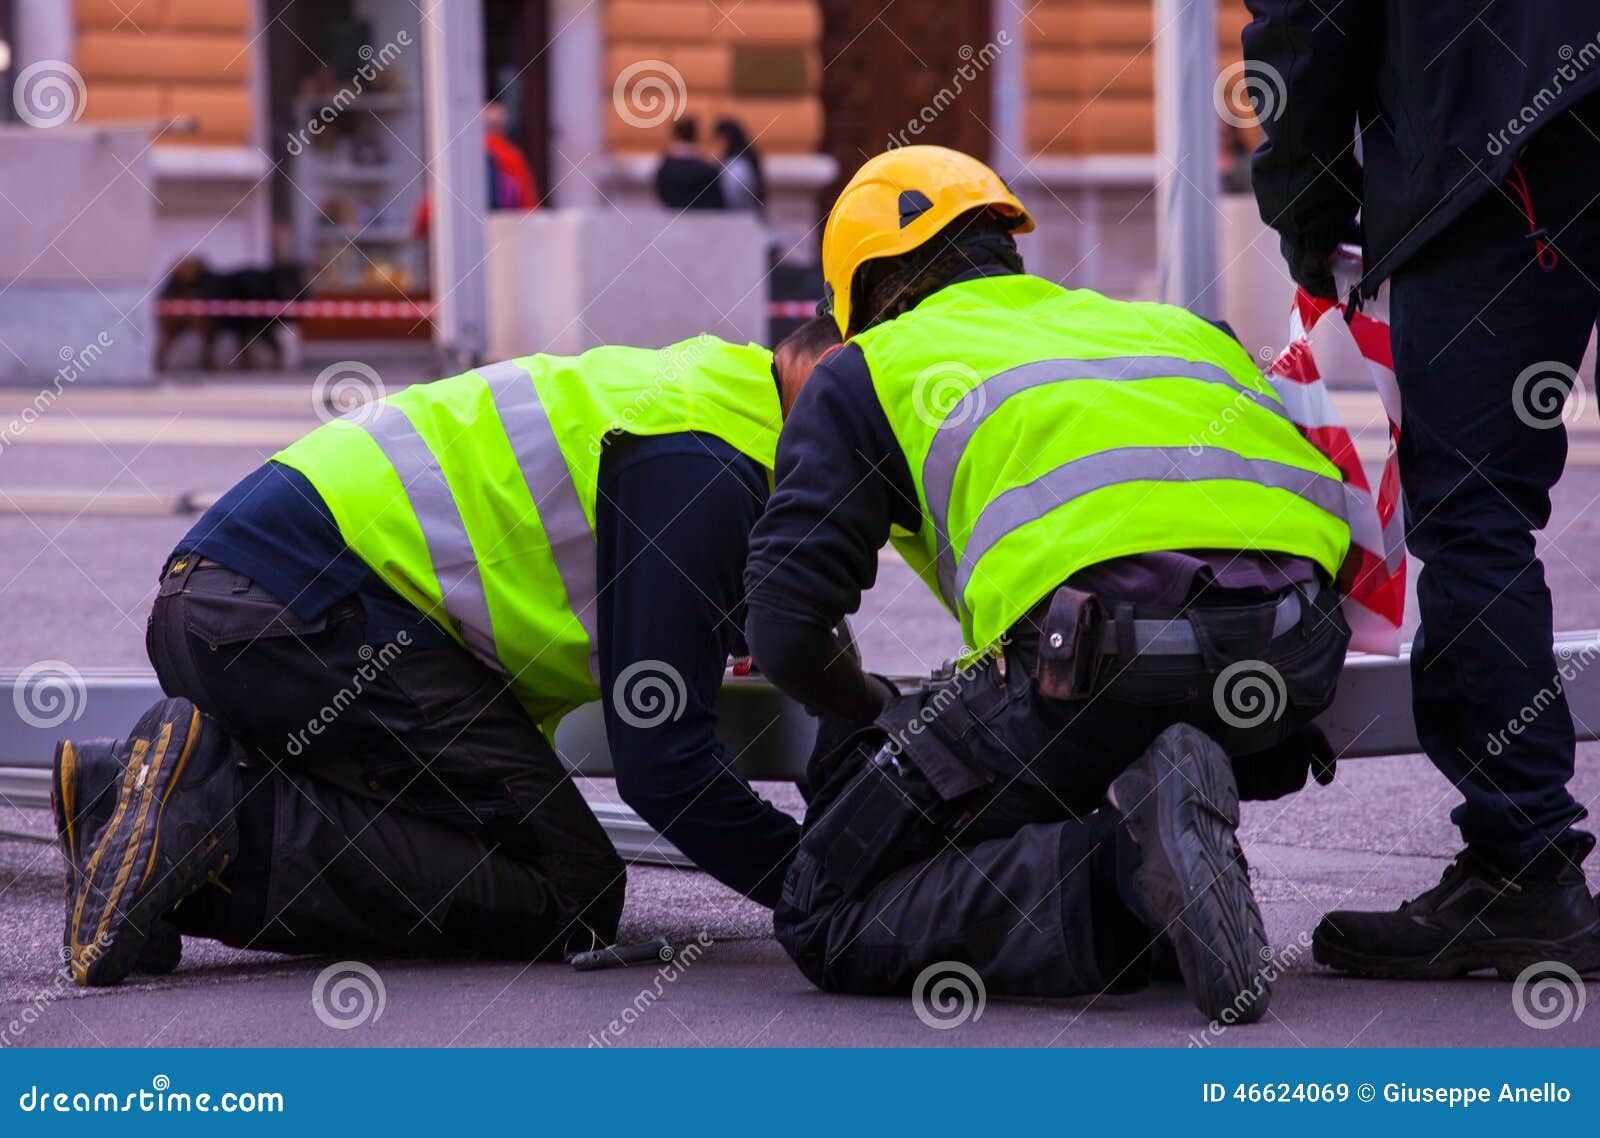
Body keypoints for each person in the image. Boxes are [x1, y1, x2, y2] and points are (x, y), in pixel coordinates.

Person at [743, 145, 1355, 1023]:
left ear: (865, 293)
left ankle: (1129, 875)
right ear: (1004, 247)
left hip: (1096, 668)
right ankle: (1168, 826)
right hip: (1292, 659)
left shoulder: (870, 366)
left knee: (821, 908)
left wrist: (872, 711)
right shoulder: (1184, 329)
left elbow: (786, 628)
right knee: (1082, 728)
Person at [55, 327, 842, 987]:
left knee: (475, 846)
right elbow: (664, 764)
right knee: (569, 886)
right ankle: (217, 809)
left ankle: (124, 809)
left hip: (222, 607)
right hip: (303, 615)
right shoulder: (703, 459)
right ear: (835, 369)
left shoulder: (706, 402)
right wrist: (825, 894)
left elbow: (777, 638)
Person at [1244, 1, 1600, 978]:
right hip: (1539, 113)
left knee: (1471, 509)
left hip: (1509, 143)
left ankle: (1523, 866)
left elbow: (1306, 26)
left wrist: (1310, 215)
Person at [411, 101, 537, 238]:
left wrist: (418, 229)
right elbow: (528, 204)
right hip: (501, 234)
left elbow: (432, 202)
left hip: (461, 234)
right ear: (503, 128)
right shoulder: (512, 156)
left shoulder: (460, 155)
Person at [654, 117, 725, 210]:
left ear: (675, 135)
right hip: (702, 213)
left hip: (672, 212)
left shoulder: (666, 166)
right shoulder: (707, 168)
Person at [712, 118, 765, 214]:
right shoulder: (744, 162)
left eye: (717, 141)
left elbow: (731, 200)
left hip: (738, 217)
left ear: (725, 140)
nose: (716, 146)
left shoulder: (735, 168)